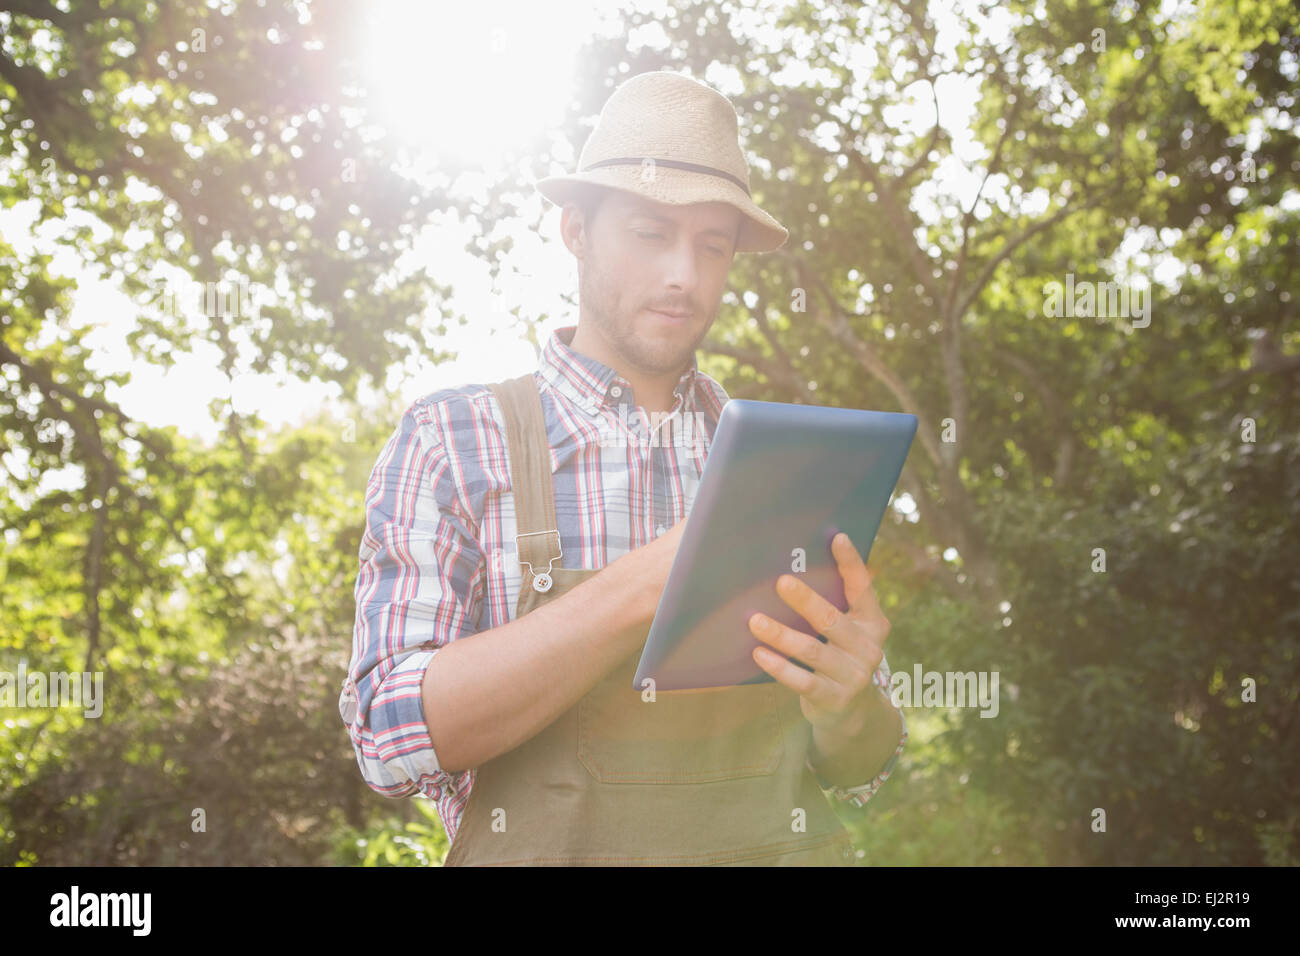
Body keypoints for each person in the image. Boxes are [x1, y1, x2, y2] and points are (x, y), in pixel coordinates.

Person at [340, 70, 907, 866]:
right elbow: (387, 735)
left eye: (712, 245)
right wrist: (649, 585)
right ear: (576, 229)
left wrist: (850, 706)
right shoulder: (453, 441)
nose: (684, 273)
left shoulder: (785, 465)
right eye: (651, 233)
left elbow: (860, 764)